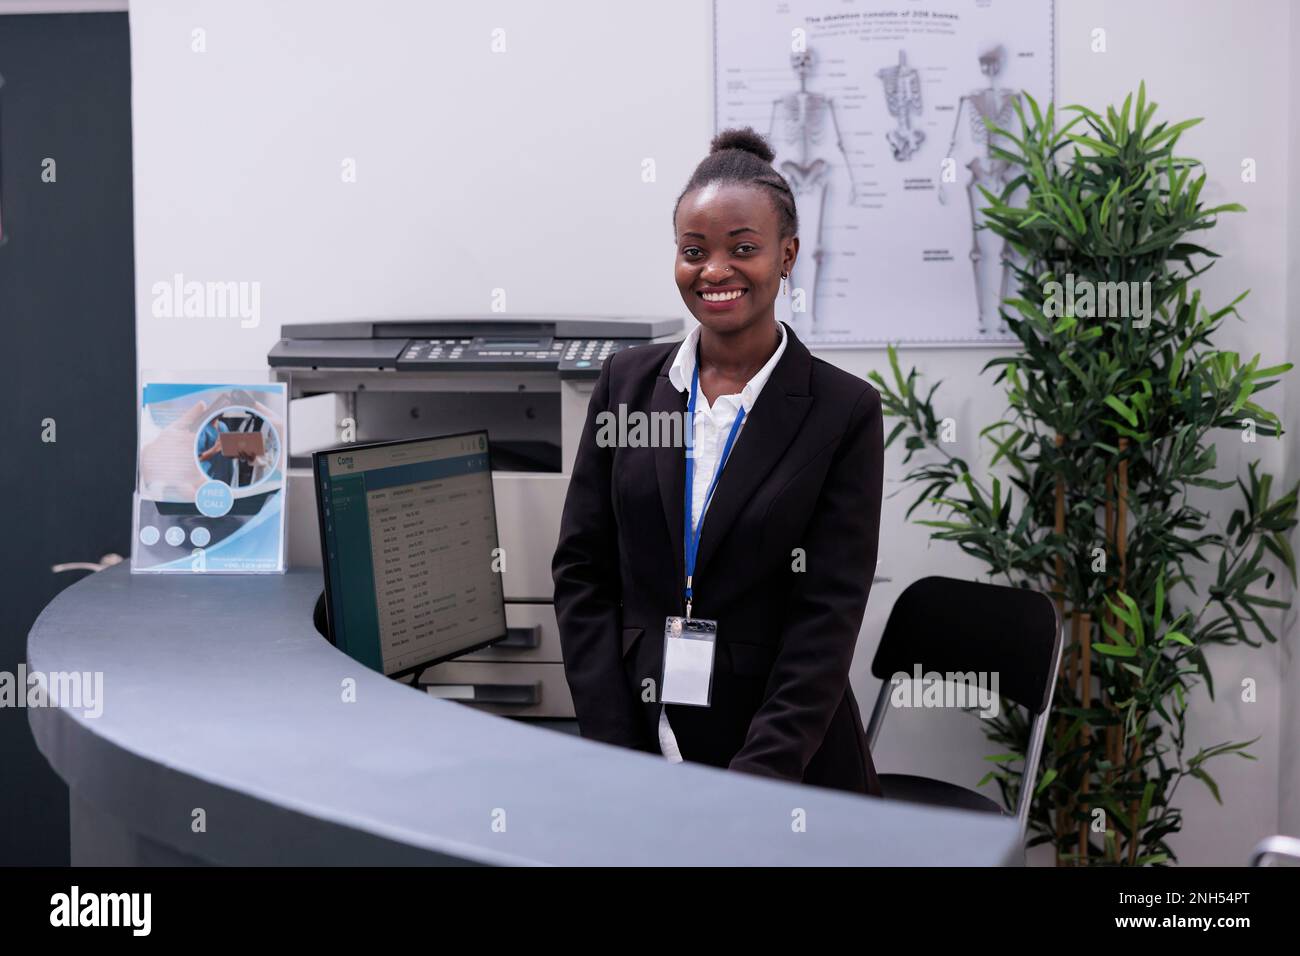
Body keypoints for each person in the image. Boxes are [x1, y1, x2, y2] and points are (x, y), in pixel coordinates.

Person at [552, 127, 885, 797]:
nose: (714, 271)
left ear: (787, 255)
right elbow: (583, 572)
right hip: (642, 742)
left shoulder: (842, 411)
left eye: (744, 249)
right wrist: (615, 746)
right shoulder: (625, 384)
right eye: (693, 251)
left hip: (787, 768)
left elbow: (827, 617)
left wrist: (755, 786)